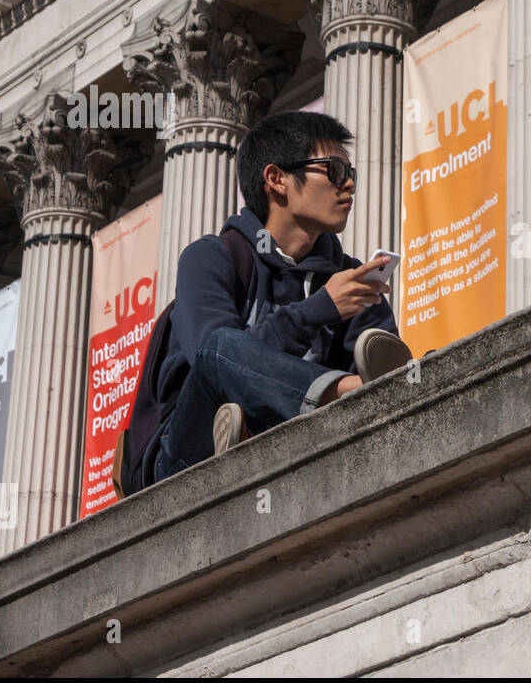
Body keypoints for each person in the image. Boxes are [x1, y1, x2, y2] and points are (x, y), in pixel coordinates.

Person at [145, 111, 413, 485]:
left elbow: (378, 359)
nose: (349, 185)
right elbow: (212, 361)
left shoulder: (346, 277)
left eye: (351, 173)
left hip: (303, 440)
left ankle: (252, 434)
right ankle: (339, 393)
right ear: (276, 179)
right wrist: (319, 311)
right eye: (334, 170)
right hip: (189, 450)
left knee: (384, 366)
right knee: (219, 347)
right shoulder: (211, 257)